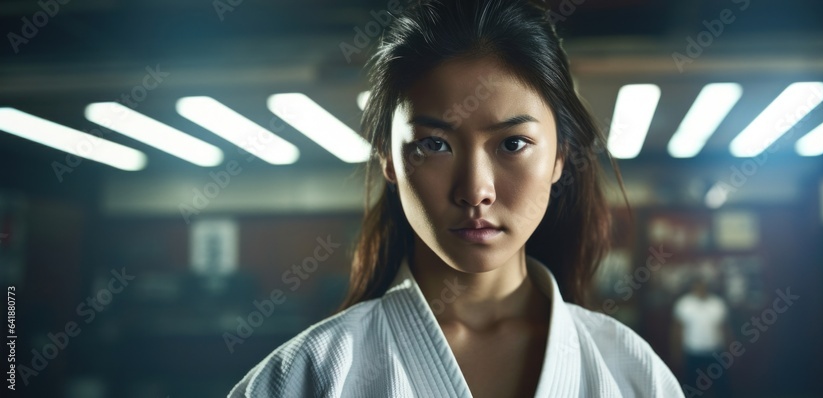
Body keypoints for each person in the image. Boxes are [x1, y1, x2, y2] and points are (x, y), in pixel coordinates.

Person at [229, 0, 684, 396]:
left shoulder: (631, 374)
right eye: (434, 144)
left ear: (560, 156)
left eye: (512, 144)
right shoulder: (307, 377)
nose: (475, 191)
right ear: (388, 158)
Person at [672, 278, 733, 398]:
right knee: (692, 386)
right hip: (692, 351)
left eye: (703, 286)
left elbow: (725, 329)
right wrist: (676, 352)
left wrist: (730, 349)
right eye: (697, 287)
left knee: (722, 386)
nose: (700, 289)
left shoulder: (717, 304)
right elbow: (677, 330)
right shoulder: (684, 304)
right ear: (693, 288)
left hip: (715, 351)